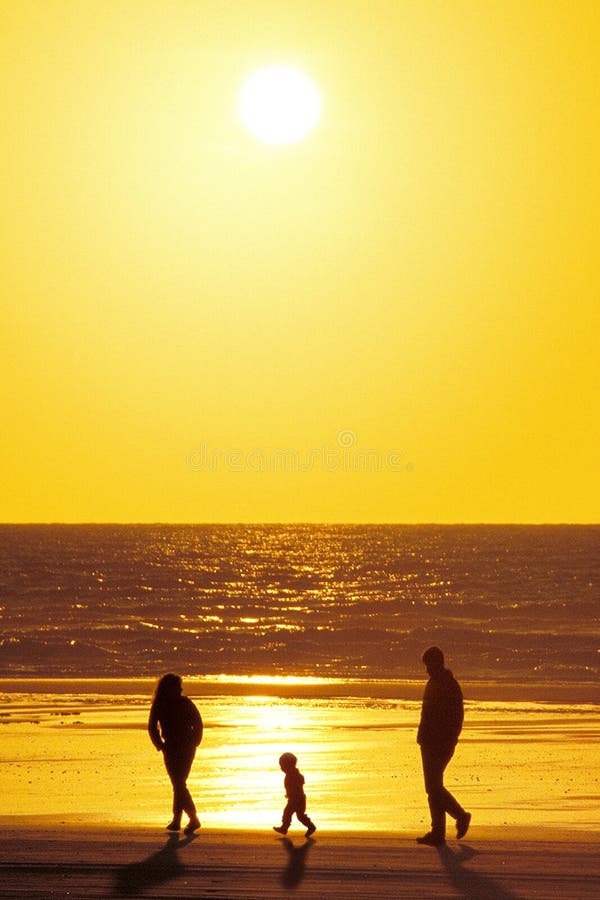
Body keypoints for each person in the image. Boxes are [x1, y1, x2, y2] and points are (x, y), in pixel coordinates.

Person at [416, 646, 471, 846]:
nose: (427, 670)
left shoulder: (447, 685)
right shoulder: (438, 683)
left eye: (428, 665)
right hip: (430, 741)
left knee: (434, 787)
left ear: (437, 663)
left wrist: (449, 738)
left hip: (439, 742)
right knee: (433, 787)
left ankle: (460, 816)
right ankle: (438, 832)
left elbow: (456, 717)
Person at [148, 673, 203, 834]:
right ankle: (180, 820)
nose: (180, 688)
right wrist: (160, 745)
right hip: (170, 747)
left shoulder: (185, 703)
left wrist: (195, 741)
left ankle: (190, 819)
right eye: (177, 686)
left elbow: (198, 724)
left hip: (186, 747)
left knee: (179, 783)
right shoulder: (160, 704)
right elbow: (152, 726)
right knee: (178, 784)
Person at [273, 752, 316, 838]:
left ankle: (285, 828)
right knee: (299, 815)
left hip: (297, 799)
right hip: (297, 798)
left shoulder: (294, 775)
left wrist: (292, 794)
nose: (281, 768)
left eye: (283, 766)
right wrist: (288, 794)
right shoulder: (292, 775)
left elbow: (297, 786)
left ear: (288, 765)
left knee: (289, 813)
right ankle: (310, 827)